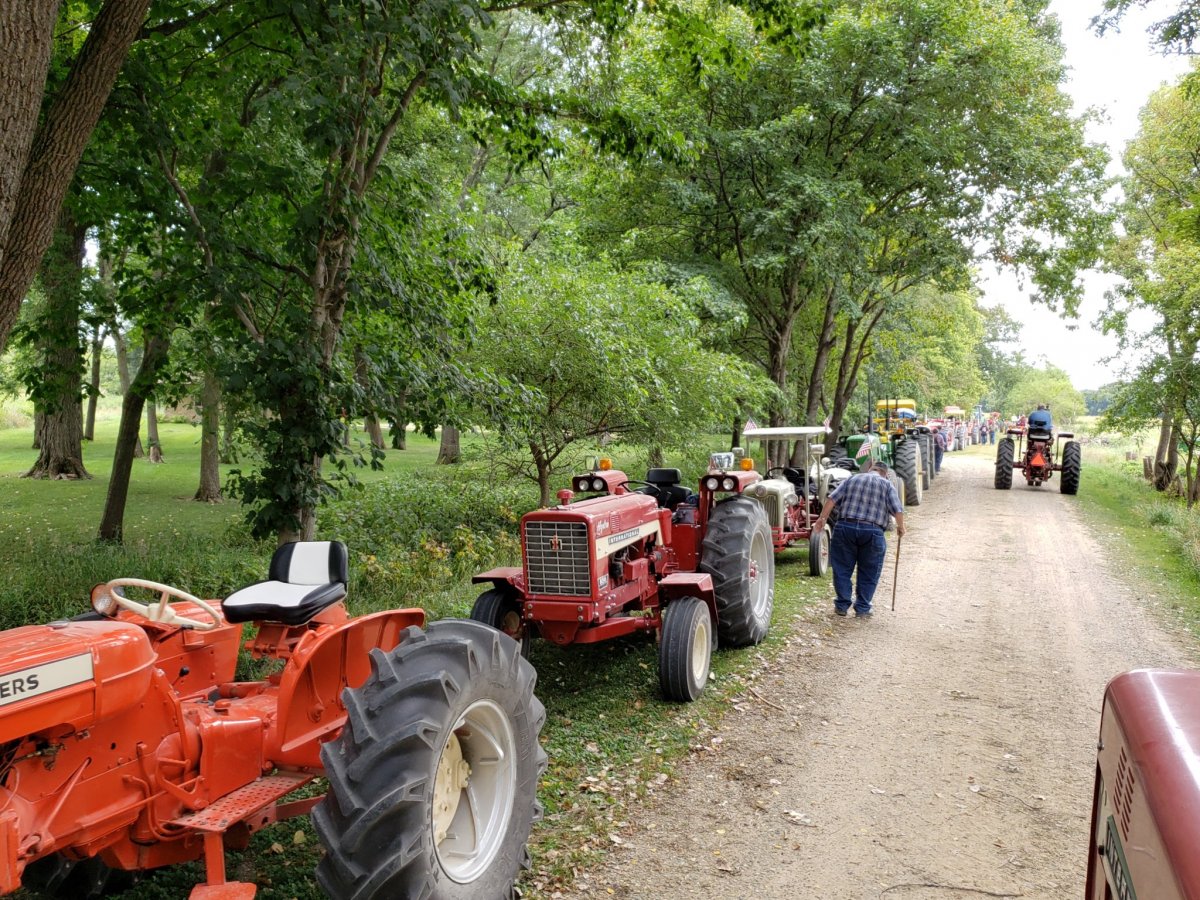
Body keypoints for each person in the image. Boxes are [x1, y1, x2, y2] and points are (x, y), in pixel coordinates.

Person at [813, 461, 906, 618]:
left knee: (842, 568)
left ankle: (842, 605)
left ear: (870, 470)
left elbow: (831, 499)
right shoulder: (887, 485)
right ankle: (862, 608)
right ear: (885, 474)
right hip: (873, 531)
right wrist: (901, 527)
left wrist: (822, 519)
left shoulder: (851, 479)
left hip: (845, 528)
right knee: (869, 571)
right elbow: (897, 509)